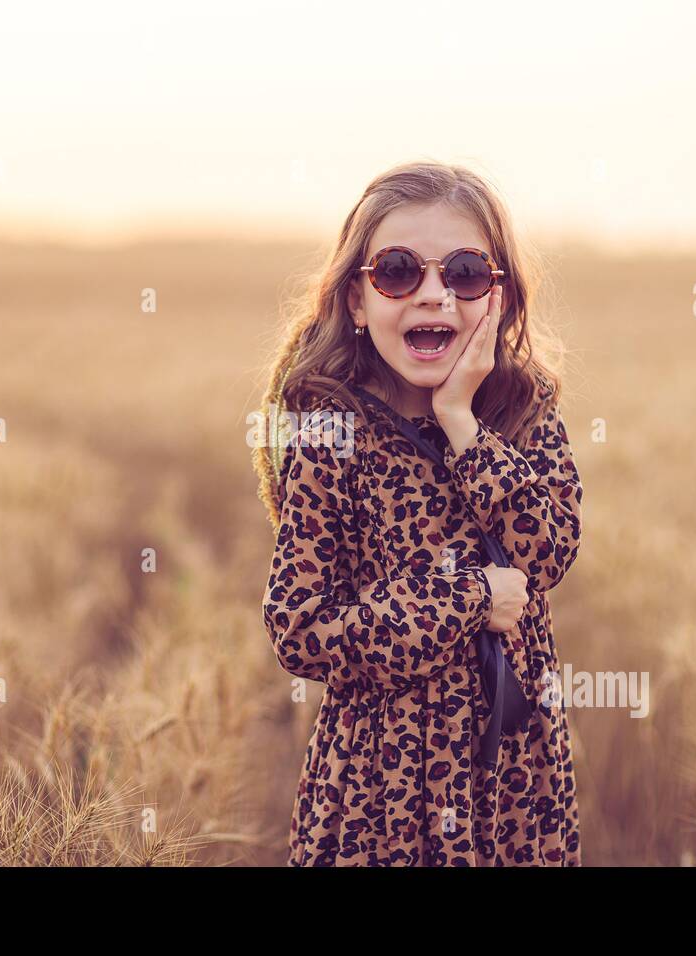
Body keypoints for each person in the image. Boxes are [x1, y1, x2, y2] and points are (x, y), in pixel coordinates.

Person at [253, 161, 584, 865]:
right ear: (356, 299)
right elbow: (300, 629)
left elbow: (548, 552)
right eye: (399, 271)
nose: (434, 295)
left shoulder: (522, 413)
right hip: (378, 796)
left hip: (514, 788)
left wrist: (461, 421)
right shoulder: (331, 433)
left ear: (497, 294)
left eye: (464, 273)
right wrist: (465, 598)